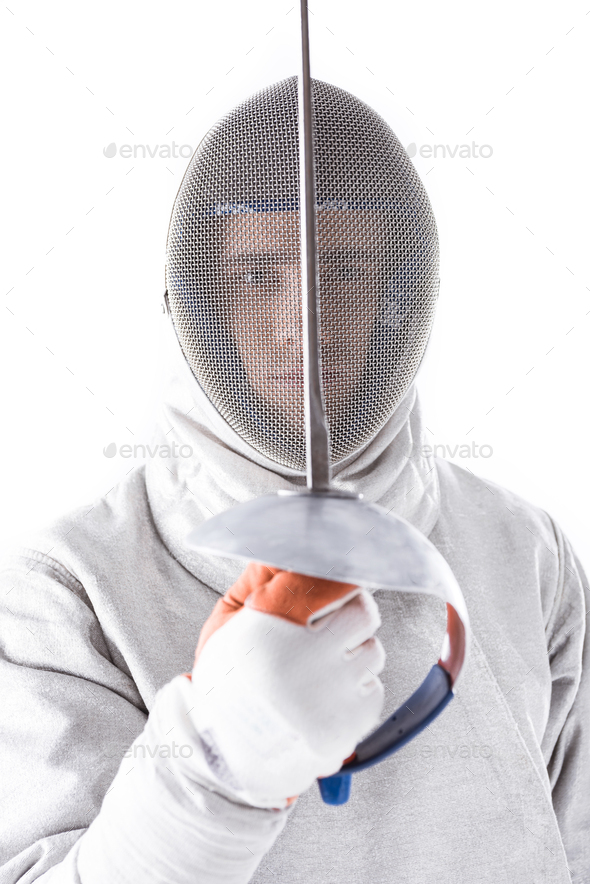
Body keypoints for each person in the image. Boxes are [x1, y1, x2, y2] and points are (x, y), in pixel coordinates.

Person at [0, 77, 588, 884]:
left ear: (398, 294)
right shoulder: (66, 589)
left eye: (343, 269)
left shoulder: (526, 554)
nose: (301, 323)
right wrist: (218, 763)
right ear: (198, 302)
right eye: (255, 276)